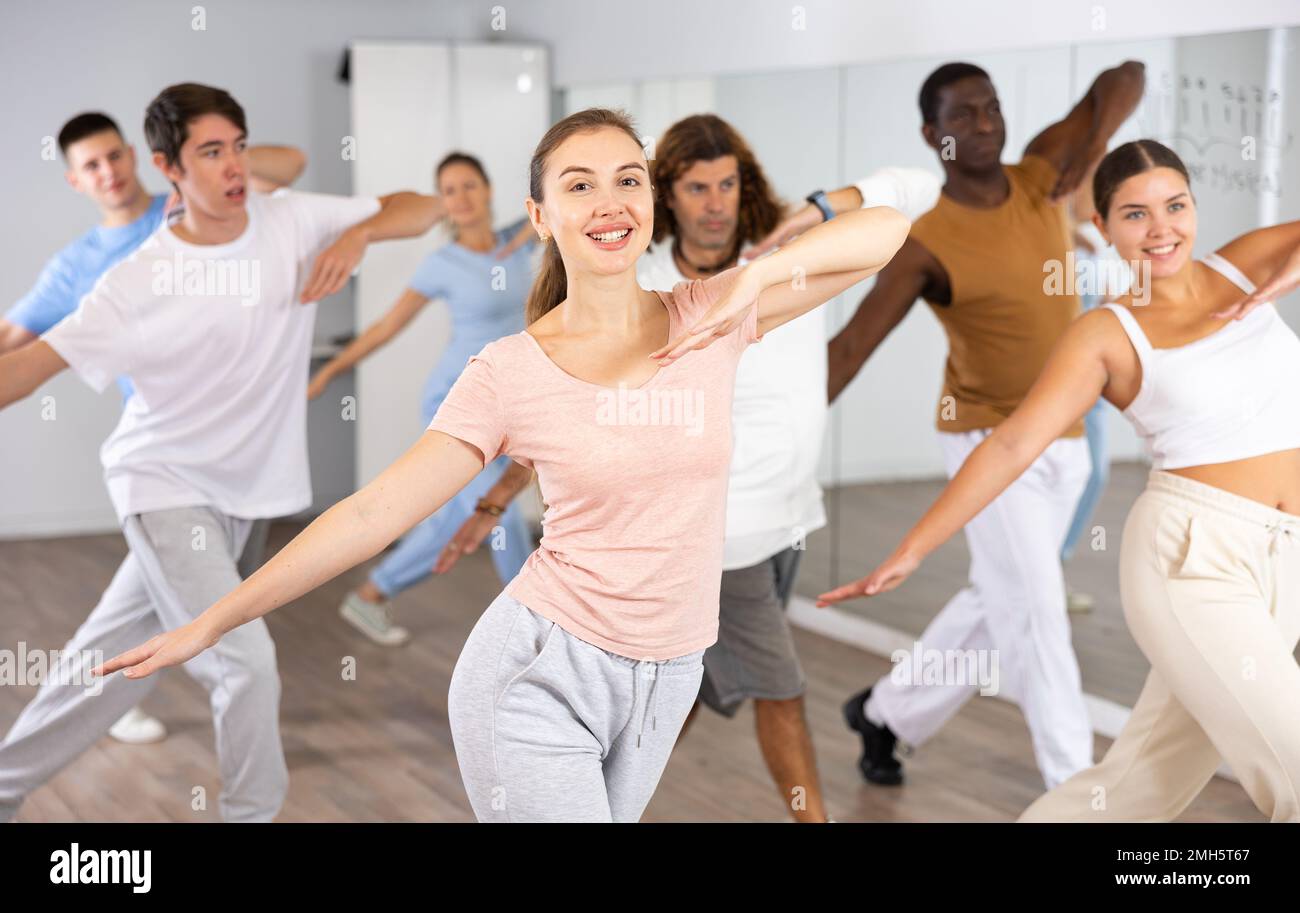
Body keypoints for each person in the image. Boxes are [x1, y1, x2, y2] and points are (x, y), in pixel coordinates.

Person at [94, 107, 911, 823]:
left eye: (627, 179)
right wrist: (214, 619)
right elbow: (374, 512)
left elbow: (888, 230)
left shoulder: (709, 315)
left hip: (670, 673)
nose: (608, 202)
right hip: (539, 674)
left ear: (650, 202)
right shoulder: (509, 372)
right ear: (541, 214)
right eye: (579, 185)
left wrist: (756, 273)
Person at [437, 115, 942, 823]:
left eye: (727, 184)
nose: (714, 202)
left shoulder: (784, 262)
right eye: (696, 186)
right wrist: (496, 500)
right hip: (715, 534)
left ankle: (580, 773)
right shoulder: (650, 286)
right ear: (666, 198)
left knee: (676, 688)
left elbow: (911, 197)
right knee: (779, 688)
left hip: (786, 519)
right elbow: (572, 422)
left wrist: (812, 215)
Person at [0, 82, 444, 822]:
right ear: (169, 167)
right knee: (246, 663)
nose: (234, 165)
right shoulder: (134, 279)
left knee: (110, 663)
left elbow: (422, 205)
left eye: (239, 146)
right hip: (166, 485)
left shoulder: (291, 219)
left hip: (250, 496)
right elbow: (25, 366)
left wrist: (359, 233)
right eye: (211, 152)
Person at [820, 139, 1300, 823]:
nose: (1161, 229)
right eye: (1134, 215)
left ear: (1195, 205)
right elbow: (1012, 444)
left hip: (1285, 557)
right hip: (1194, 560)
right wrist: (911, 549)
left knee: (1139, 785)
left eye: (1175, 205)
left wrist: (1290, 272)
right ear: (1101, 228)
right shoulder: (1107, 332)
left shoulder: (1244, 263)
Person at [814, 59, 1145, 789]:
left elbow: (1126, 76)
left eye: (991, 106)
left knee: (998, 597)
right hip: (987, 441)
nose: (984, 122)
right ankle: (1077, 791)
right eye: (962, 114)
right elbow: (849, 349)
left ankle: (886, 713)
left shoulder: (1040, 177)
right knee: (1035, 611)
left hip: (1066, 438)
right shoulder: (926, 241)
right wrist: (775, 438)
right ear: (933, 135)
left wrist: (1091, 146)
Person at [2, 111, 306, 744]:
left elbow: (294, 164)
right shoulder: (75, 266)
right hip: (171, 466)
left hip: (243, 457)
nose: (108, 171)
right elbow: (13, 343)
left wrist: (205, 161)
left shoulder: (190, 203)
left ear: (140, 157)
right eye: (92, 165)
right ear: (74, 181)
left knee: (147, 612)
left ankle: (83, 715)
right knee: (194, 622)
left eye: (115, 155)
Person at [307, 151, 537, 646]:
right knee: (500, 511)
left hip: (513, 400)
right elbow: (387, 326)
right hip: (457, 402)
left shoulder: (520, 241)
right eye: (449, 190)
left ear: (489, 189)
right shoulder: (442, 263)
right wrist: (329, 371)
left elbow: (562, 201)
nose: (461, 197)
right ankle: (532, 626)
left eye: (470, 185)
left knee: (458, 517)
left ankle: (371, 594)